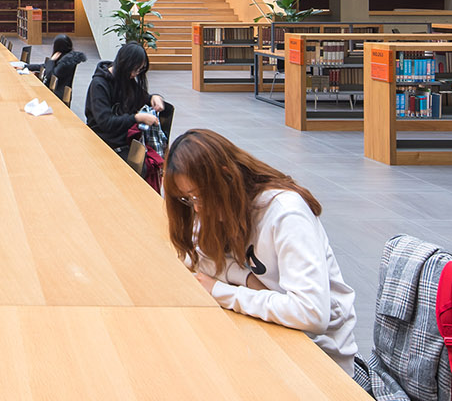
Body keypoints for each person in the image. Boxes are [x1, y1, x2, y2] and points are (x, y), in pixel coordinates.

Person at [162, 129, 357, 374]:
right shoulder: (223, 206)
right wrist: (247, 279)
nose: (198, 209)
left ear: (225, 177)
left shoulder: (286, 213)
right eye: (188, 199)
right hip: (272, 331)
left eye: (198, 196)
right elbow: (200, 259)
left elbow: (311, 314)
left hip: (319, 359)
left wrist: (220, 290)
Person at [84, 41, 172, 154]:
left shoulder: (126, 78)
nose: (135, 74)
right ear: (125, 65)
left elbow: (142, 97)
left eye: (139, 70)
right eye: (135, 70)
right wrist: (136, 118)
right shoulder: (99, 84)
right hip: (102, 141)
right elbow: (106, 122)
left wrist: (154, 98)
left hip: (120, 139)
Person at [38, 34, 87, 105]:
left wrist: (51, 61)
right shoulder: (63, 56)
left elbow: (51, 76)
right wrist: (26, 66)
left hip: (58, 94)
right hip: (57, 91)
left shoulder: (66, 61)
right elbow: (44, 66)